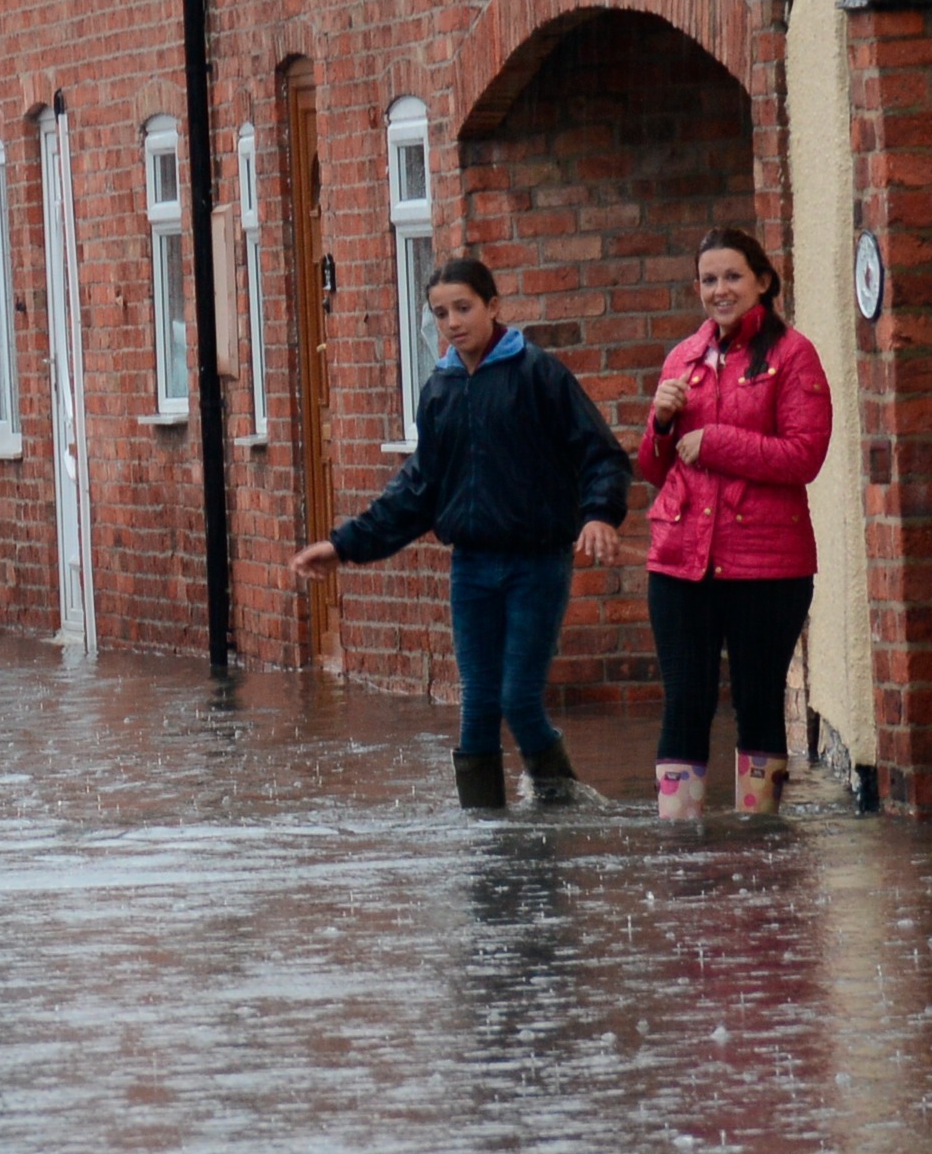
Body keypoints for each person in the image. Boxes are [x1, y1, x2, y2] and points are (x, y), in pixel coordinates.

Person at [292, 254, 631, 808]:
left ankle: (559, 795)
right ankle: (484, 834)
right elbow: (418, 490)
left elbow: (601, 454)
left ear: (493, 307)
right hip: (471, 566)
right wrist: (343, 544)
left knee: (518, 697)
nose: (453, 322)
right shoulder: (441, 390)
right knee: (477, 704)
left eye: (464, 308)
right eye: (440, 313)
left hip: (537, 562)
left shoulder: (538, 375)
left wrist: (598, 514)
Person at [635, 224, 833, 821]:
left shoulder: (793, 355)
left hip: (767, 563)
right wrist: (662, 426)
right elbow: (653, 467)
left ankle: (761, 847)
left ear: (763, 282)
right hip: (680, 559)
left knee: (758, 700)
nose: (720, 290)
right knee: (685, 702)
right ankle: (678, 851)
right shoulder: (684, 356)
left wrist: (715, 440)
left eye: (732, 277)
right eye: (709, 279)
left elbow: (805, 455)